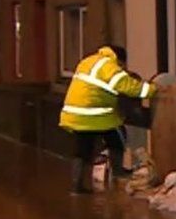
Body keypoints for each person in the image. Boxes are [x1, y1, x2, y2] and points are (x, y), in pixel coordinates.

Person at [60, 45, 156, 194]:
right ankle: (118, 172)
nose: (123, 68)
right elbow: (129, 87)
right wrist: (153, 89)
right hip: (95, 113)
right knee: (117, 138)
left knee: (82, 149)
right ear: (120, 60)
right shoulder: (109, 66)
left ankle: (76, 186)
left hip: (75, 114)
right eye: (123, 65)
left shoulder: (88, 61)